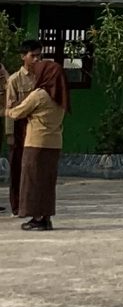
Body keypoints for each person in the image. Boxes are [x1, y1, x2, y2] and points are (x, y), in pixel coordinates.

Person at [9, 42, 68, 230]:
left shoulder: (40, 95)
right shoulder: (60, 96)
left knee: (32, 181)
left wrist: (8, 110)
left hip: (36, 142)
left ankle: (37, 218)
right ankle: (46, 217)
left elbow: (16, 112)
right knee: (47, 183)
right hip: (54, 143)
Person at [6, 54, 30, 216]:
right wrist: (10, 133)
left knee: (31, 168)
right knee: (16, 168)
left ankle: (29, 204)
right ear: (23, 56)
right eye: (33, 56)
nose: (36, 59)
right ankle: (16, 205)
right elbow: (10, 109)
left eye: (39, 56)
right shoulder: (15, 79)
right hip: (18, 126)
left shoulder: (39, 77)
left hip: (34, 126)